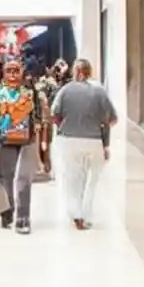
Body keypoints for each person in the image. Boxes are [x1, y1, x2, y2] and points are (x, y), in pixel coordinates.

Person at [52, 59, 118, 230]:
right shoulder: (99, 91)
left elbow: (54, 114)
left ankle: (76, 214)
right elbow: (111, 119)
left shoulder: (65, 90)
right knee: (91, 181)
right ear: (90, 71)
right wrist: (105, 143)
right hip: (94, 141)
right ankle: (87, 215)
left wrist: (63, 126)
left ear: (75, 71)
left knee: (73, 179)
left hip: (70, 140)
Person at [0, 60, 43, 234]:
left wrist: (41, 146)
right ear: (3, 73)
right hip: (4, 140)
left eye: (16, 71)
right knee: (5, 179)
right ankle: (7, 212)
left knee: (24, 179)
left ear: (22, 72)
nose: (12, 75)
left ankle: (23, 218)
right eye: (9, 71)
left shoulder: (30, 92)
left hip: (27, 140)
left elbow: (38, 118)